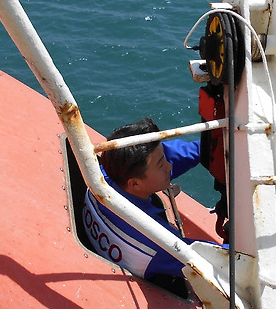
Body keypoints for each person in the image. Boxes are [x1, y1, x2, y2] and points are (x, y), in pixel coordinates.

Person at [82, 118, 203, 287]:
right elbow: (220, 262)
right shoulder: (157, 245)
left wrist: (211, 148)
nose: (169, 166)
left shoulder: (107, 173)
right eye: (161, 164)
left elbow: (169, 157)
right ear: (135, 184)